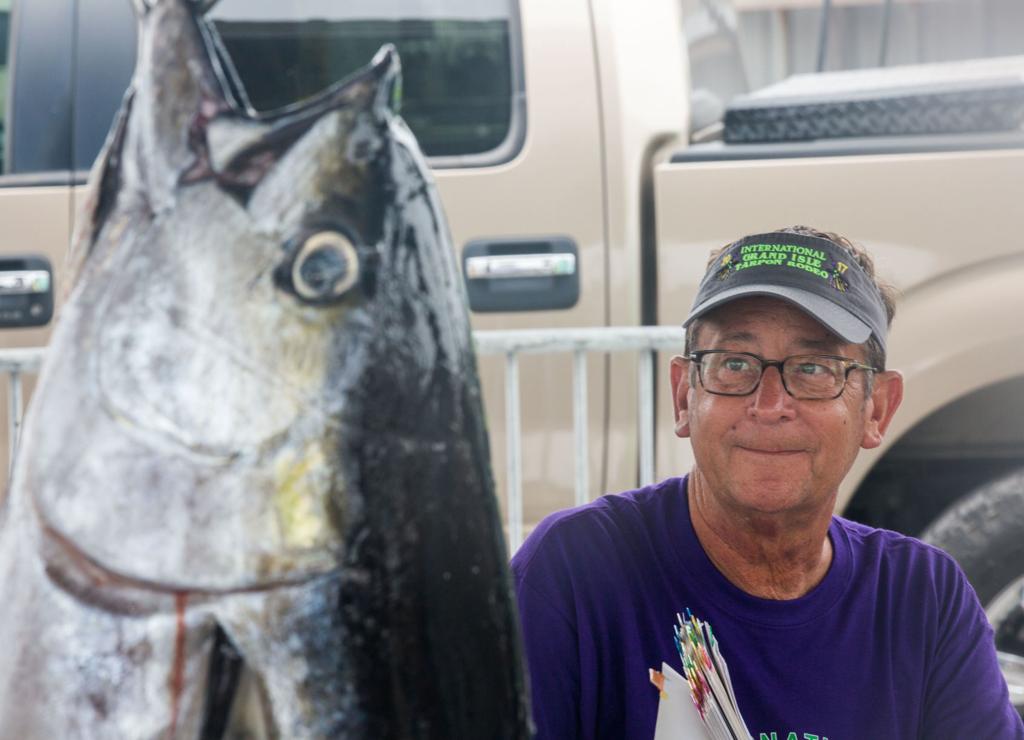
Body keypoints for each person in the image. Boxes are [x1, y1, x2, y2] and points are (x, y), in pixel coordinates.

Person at [511, 226, 1024, 739]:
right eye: (734, 364)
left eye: (815, 368)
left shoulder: (921, 598)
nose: (771, 404)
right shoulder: (573, 573)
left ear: (877, 409)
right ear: (684, 396)